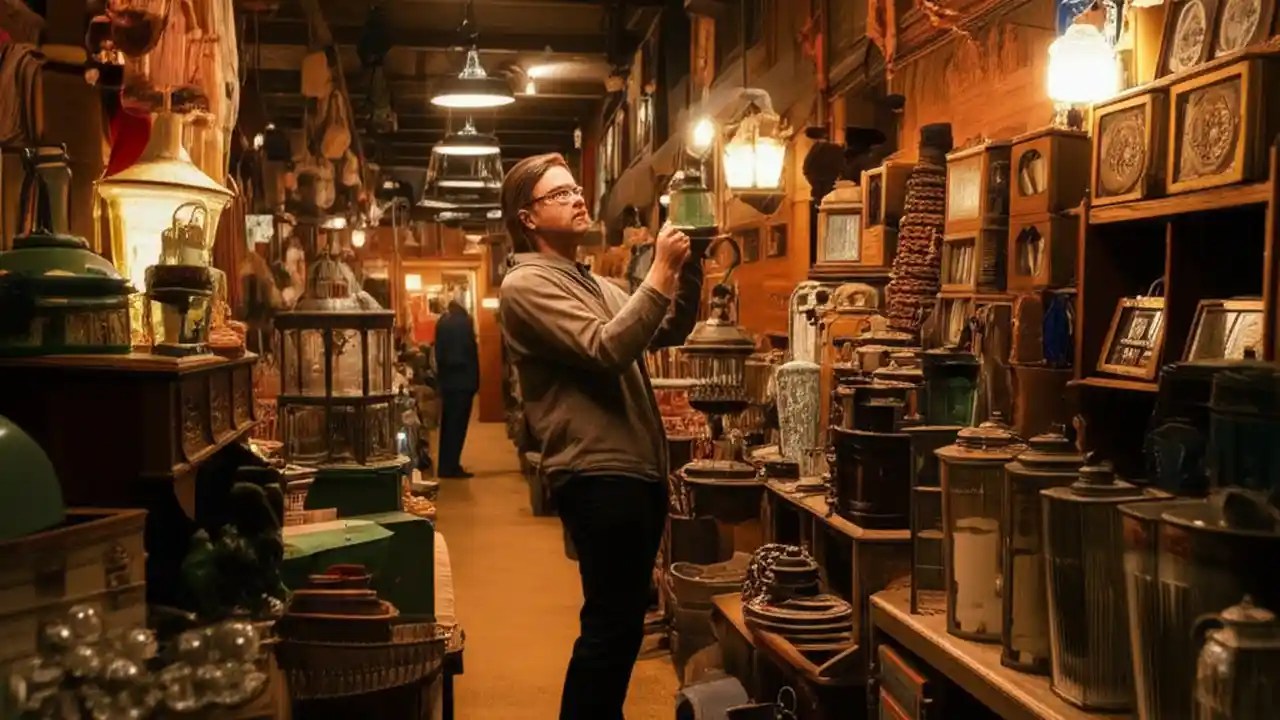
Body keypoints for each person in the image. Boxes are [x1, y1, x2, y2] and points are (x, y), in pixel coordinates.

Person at [499, 153, 703, 719]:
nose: (577, 198)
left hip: (632, 471)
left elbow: (666, 325)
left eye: (575, 188)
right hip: (598, 472)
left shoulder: (595, 283)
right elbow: (607, 347)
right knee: (609, 631)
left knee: (619, 629)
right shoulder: (525, 285)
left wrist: (691, 258)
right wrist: (658, 271)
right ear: (528, 218)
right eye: (559, 194)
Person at [434, 299, 480, 478]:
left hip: (448, 382)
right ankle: (451, 467)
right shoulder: (464, 323)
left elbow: (440, 353)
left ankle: (445, 465)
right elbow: (467, 353)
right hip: (462, 382)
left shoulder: (443, 322)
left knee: (448, 426)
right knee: (458, 427)